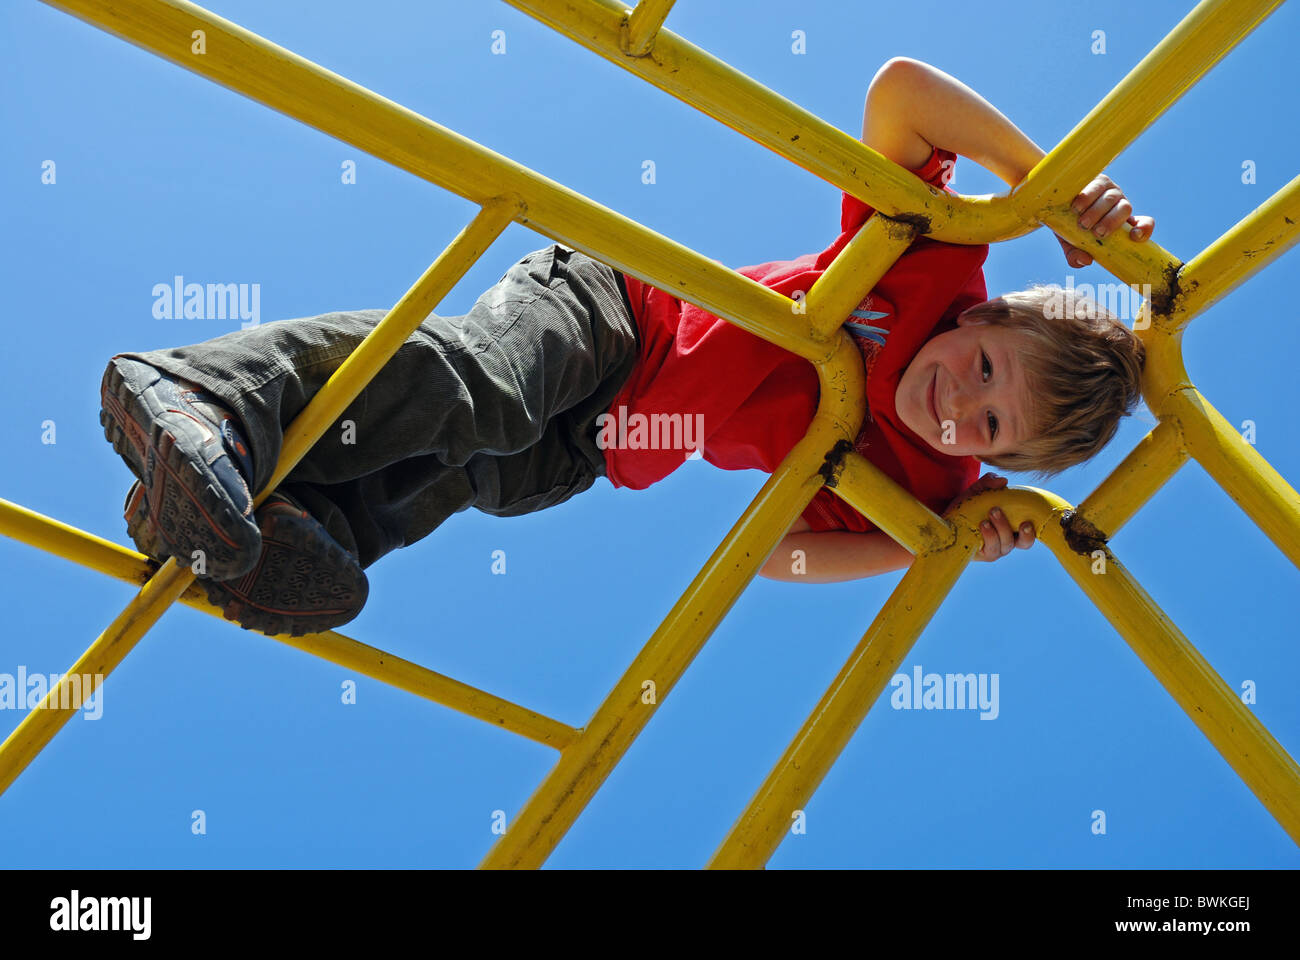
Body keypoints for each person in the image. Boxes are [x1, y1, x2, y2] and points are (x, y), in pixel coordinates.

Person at [98, 57, 1153, 635]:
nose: (959, 407)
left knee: (464, 476)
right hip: (619, 312)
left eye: (991, 427)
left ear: (994, 461)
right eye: (982, 371)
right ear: (982, 317)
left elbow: (777, 556)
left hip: (610, 450)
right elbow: (900, 95)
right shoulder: (928, 265)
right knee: (489, 390)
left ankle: (262, 519)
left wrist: (933, 537)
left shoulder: (925, 477)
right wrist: (1042, 189)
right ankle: (212, 395)